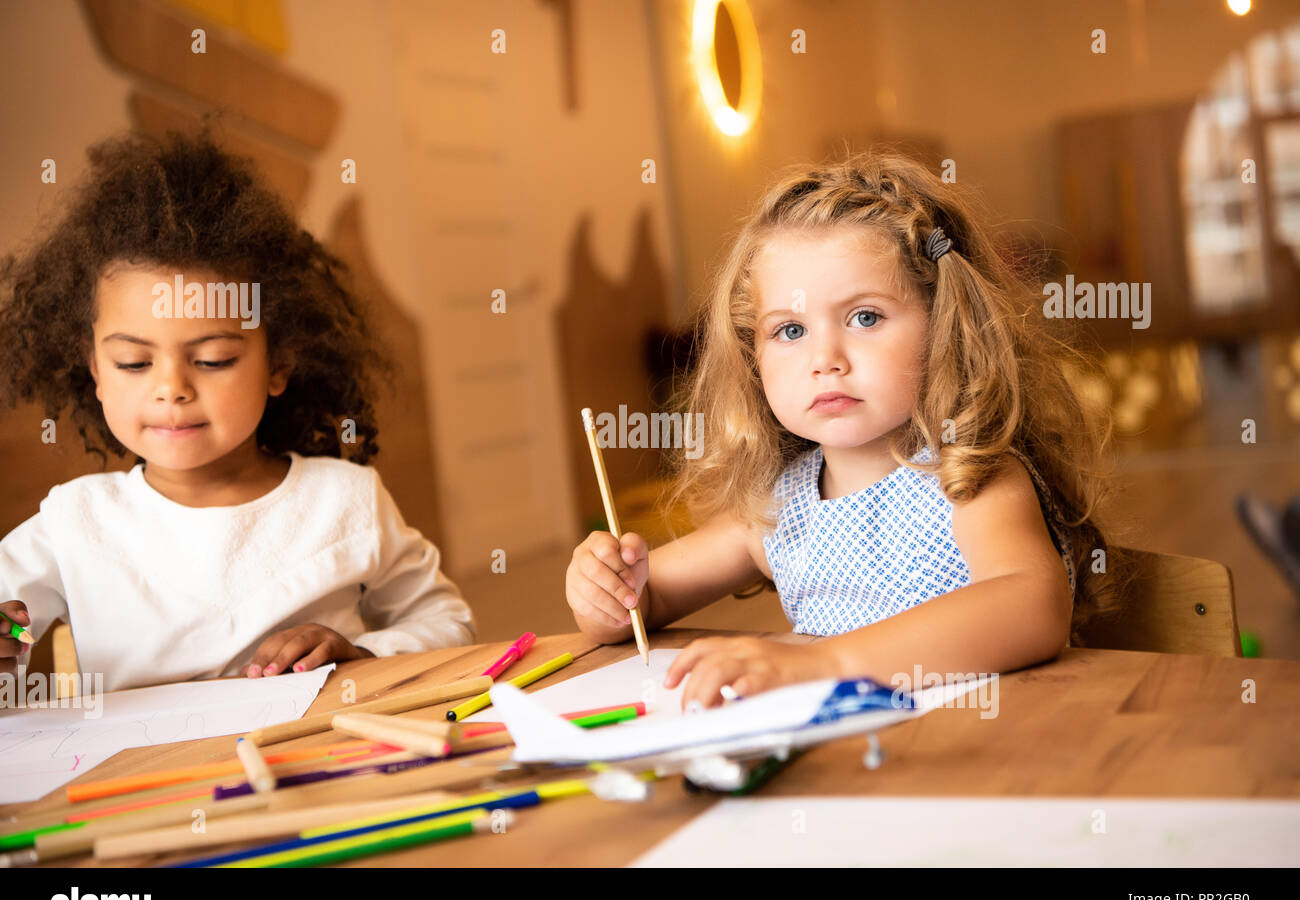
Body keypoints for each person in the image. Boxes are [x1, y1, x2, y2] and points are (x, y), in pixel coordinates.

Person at [566, 149, 1132, 708]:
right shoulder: (774, 511)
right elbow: (643, 600)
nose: (825, 359)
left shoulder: (970, 476)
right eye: (789, 331)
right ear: (751, 355)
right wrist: (606, 589)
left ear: (944, 326)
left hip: (988, 759)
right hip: (851, 770)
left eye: (865, 318)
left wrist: (826, 663)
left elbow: (1031, 608)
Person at [0, 132, 474, 692]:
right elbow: (12, 640)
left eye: (213, 358)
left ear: (278, 363)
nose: (172, 388)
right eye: (133, 362)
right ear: (96, 371)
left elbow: (450, 624)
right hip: (152, 779)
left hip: (311, 766)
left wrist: (363, 650)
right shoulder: (74, 524)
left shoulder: (345, 501)